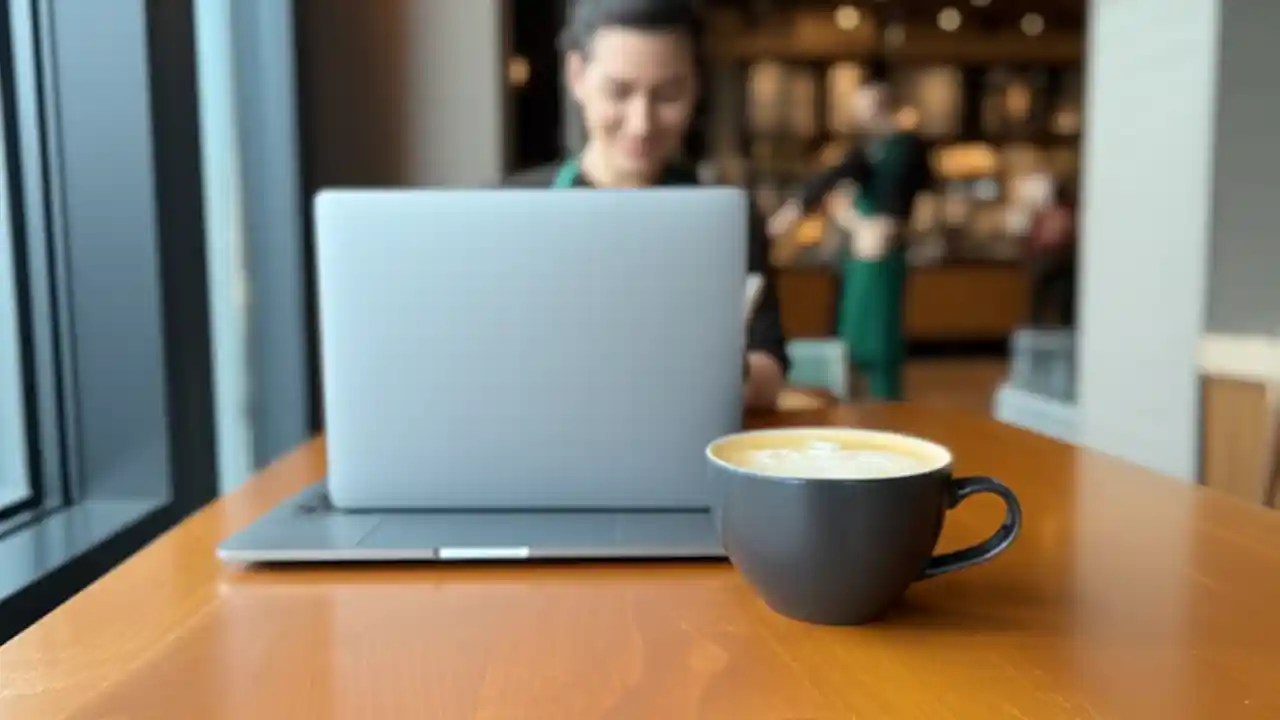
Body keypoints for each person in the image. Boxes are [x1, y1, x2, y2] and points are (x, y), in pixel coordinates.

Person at [557, 0, 788, 410]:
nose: (642, 123)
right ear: (577, 76)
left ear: (695, 87)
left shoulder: (727, 217)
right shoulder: (515, 206)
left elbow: (768, 369)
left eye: (667, 94)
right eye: (619, 91)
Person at [767, 74, 931, 401]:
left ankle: (885, 407)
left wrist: (862, 220)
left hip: (880, 251)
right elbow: (833, 178)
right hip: (861, 253)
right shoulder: (868, 148)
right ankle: (855, 402)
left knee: (879, 340)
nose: (860, 113)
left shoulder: (903, 147)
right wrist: (795, 212)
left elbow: (896, 204)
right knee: (854, 338)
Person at [1025, 183, 1077, 327]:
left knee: (1043, 293)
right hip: (1056, 260)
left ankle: (1038, 321)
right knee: (1058, 293)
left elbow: (1034, 237)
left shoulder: (1046, 213)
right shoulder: (1067, 215)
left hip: (1047, 260)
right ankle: (1060, 322)